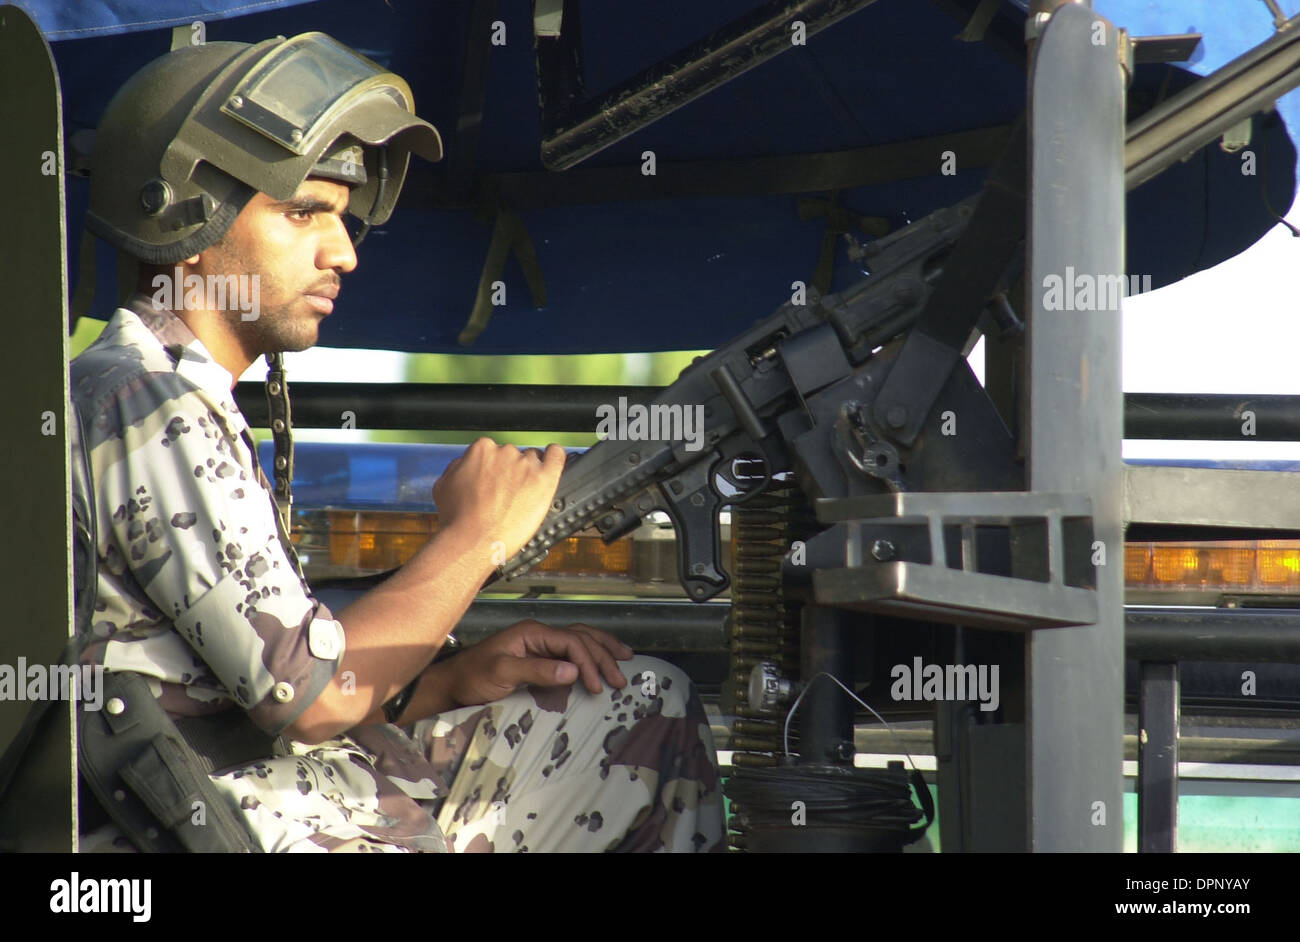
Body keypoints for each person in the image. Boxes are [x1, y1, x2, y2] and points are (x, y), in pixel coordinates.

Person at [71, 32, 725, 853]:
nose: (341, 253)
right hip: (203, 823)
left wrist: (447, 680)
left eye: (343, 220)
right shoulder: (144, 402)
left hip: (250, 789)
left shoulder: (162, 394)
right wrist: (476, 538)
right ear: (188, 222)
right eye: (303, 212)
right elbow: (309, 701)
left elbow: (244, 683)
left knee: (638, 703)